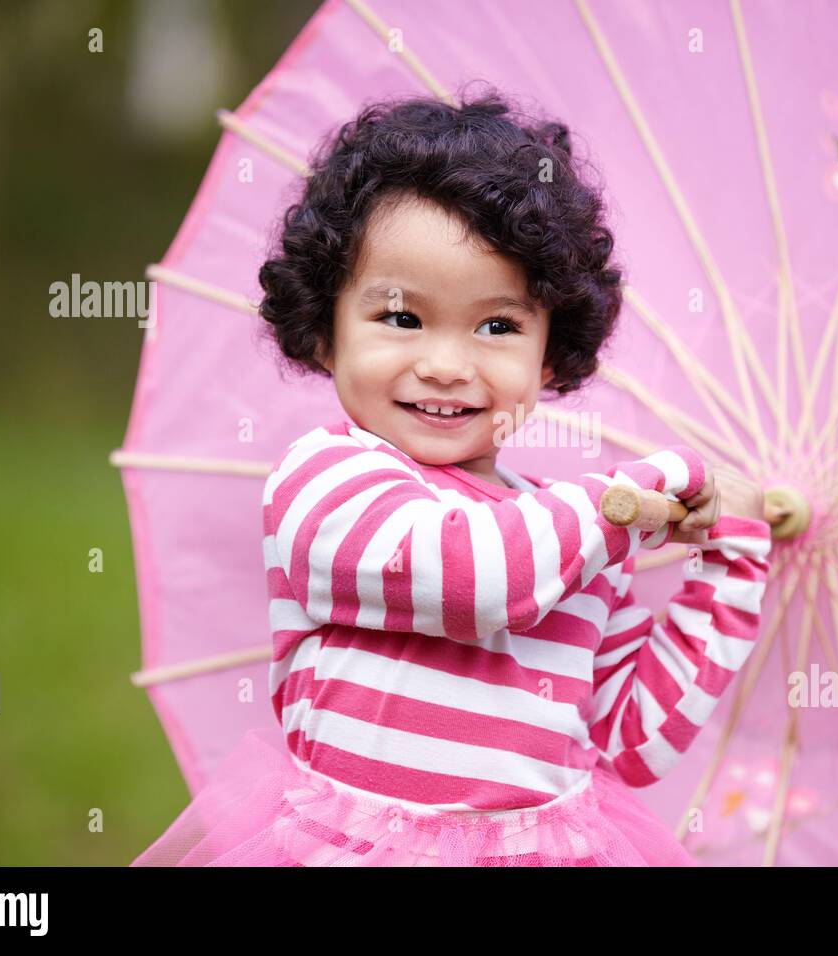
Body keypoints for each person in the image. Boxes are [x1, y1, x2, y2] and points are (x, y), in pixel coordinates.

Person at [131, 87, 772, 866]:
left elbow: (635, 739)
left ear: (551, 349)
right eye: (400, 317)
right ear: (325, 330)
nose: (443, 365)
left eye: (498, 326)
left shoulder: (571, 533)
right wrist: (658, 481)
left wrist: (732, 557)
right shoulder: (329, 482)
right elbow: (475, 580)